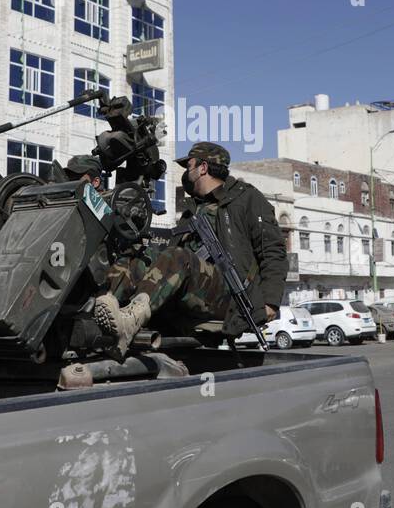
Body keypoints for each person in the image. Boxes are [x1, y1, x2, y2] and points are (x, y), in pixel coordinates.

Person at [94, 142, 285, 356]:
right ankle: (107, 306)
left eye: (189, 166)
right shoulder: (194, 208)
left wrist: (270, 302)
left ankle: (131, 320)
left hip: (231, 293)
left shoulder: (247, 198)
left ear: (203, 168)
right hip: (194, 288)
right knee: (137, 257)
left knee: (179, 257)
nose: (186, 172)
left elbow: (273, 251)